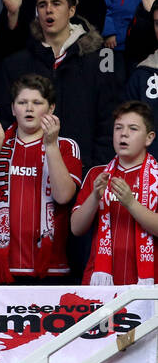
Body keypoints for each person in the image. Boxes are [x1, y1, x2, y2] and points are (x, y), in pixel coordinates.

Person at [0, 0, 122, 170]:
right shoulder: (16, 64)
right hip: (27, 174)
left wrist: (95, 171)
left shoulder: (98, 62)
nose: (48, 10)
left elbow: (110, 122)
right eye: (42, 5)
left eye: (56, 3)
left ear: (71, 11)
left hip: (83, 172)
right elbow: (3, 119)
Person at [0, 75, 82, 282]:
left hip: (50, 267)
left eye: (37, 103)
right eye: (22, 103)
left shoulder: (66, 146)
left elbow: (64, 196)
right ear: (13, 109)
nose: (29, 108)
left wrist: (50, 145)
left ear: (51, 109)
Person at [72, 101, 158, 284]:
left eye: (133, 129)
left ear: (149, 138)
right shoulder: (97, 174)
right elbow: (76, 228)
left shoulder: (156, 176)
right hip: (101, 278)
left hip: (148, 281)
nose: (123, 134)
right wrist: (95, 197)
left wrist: (131, 204)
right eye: (118, 128)